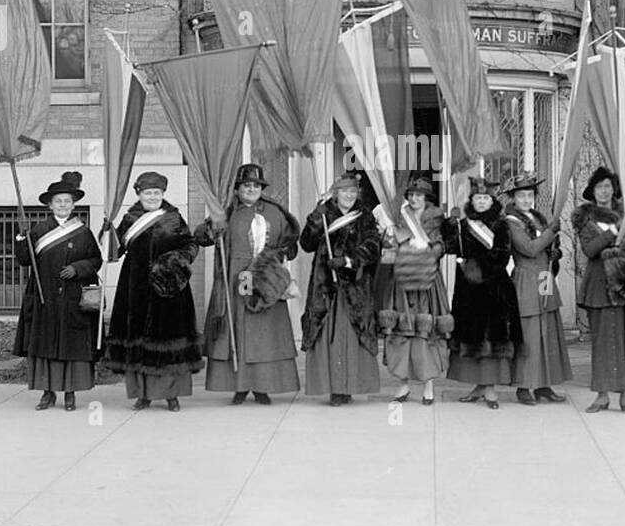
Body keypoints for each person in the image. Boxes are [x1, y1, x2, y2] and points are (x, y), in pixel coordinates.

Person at [194, 163, 301, 404]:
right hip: (235, 278)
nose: (251, 189)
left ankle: (263, 387)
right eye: (246, 185)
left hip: (266, 277)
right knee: (239, 332)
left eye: (255, 185)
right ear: (238, 189)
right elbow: (201, 237)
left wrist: (281, 255)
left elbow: (291, 243)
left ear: (261, 188)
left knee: (265, 333)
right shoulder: (227, 212)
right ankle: (240, 387)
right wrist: (213, 222)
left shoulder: (275, 212)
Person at [103, 171, 204, 411]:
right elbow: (114, 252)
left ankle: (172, 396)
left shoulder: (174, 218)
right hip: (135, 288)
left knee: (169, 340)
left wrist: (175, 259)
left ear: (163, 194)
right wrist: (107, 231)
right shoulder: (129, 218)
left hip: (169, 288)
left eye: (156, 193)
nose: (152, 197)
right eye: (147, 193)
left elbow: (190, 245)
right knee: (139, 341)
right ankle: (143, 395)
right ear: (139, 194)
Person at [572, 167, 625, 414]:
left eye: (608, 186)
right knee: (602, 342)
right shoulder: (585, 217)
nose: (604, 191)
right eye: (599, 187)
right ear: (593, 191)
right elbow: (590, 249)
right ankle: (601, 395)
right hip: (599, 284)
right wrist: (614, 231)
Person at [13, 171, 103, 412]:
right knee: (46, 347)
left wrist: (77, 268)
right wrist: (22, 237)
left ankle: (70, 394)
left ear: (74, 205)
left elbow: (96, 260)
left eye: (67, 201)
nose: (63, 205)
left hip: (73, 300)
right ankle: (47, 393)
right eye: (58, 201)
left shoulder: (84, 232)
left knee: (70, 347)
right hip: (46, 300)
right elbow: (24, 260)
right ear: (50, 204)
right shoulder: (39, 230)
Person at [300, 171, 383, 406]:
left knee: (352, 337)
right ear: (336, 194)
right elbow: (306, 244)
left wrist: (349, 260)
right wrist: (316, 218)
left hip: (355, 287)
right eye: (344, 191)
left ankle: (352, 386)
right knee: (328, 338)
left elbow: (373, 245)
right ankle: (335, 388)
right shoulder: (324, 214)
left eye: (353, 191)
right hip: (325, 286)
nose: (349, 195)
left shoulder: (364, 217)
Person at [442, 177, 522, 410]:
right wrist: (450, 225)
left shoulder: (501, 226)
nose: (481, 202)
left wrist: (475, 268)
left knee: (491, 338)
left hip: (493, 289)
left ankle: (490, 389)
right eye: (477, 198)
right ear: (472, 200)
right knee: (473, 337)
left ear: (491, 201)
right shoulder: (463, 225)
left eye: (485, 198)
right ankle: (478, 385)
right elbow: (450, 248)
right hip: (468, 292)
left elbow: (502, 256)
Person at [378, 176, 452, 406]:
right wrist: (390, 239)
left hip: (427, 282)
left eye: (419, 195)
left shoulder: (436, 218)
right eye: (411, 195)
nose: (414, 199)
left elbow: (444, 244)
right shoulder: (398, 216)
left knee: (426, 332)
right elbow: (388, 243)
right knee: (402, 332)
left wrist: (430, 248)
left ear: (426, 198)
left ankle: (428, 384)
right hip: (402, 279)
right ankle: (403, 383)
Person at [501, 172, 571, 404]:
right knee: (529, 334)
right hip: (526, 277)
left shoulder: (538, 219)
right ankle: (523, 385)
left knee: (547, 332)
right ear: (513, 197)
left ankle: (543, 384)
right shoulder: (511, 222)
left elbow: (545, 248)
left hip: (544, 277)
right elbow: (529, 248)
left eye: (530, 195)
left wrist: (555, 251)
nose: (526, 199)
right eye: (521, 195)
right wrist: (551, 233)